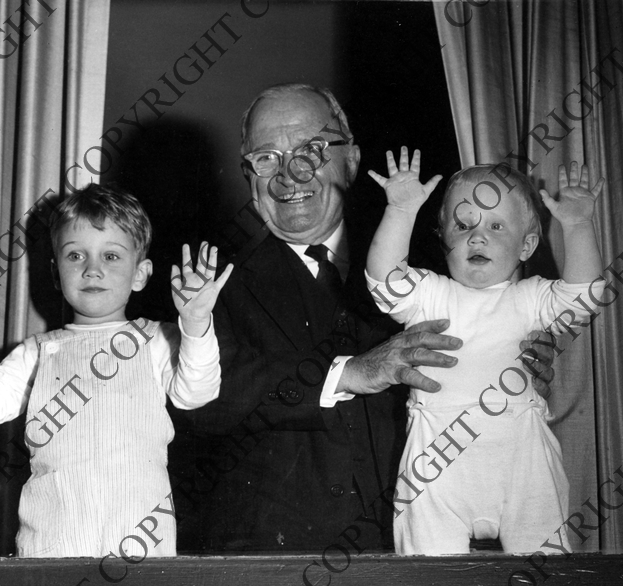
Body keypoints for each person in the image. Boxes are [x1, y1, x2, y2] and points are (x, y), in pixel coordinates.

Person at [179, 84, 556, 552]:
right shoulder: (207, 281)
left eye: (311, 150)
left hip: (409, 555)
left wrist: (524, 355)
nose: (289, 175)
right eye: (267, 158)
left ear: (352, 160)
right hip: (273, 565)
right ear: (248, 176)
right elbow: (201, 403)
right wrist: (351, 371)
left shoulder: (444, 261)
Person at [0, 184, 232, 558]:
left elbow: (196, 391)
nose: (93, 269)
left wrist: (196, 323)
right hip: (50, 543)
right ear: (56, 271)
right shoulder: (38, 352)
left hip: (141, 545)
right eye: (75, 255)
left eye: (112, 256)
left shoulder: (157, 339)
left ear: (141, 273)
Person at [365, 150, 604, 554]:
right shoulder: (431, 294)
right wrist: (400, 212)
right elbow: (384, 282)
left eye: (496, 226)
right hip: (435, 463)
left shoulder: (529, 298)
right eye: (464, 225)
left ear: (527, 246)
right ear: (443, 237)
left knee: (544, 577)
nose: (478, 236)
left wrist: (578, 226)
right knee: (429, 582)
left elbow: (584, 298)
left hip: (521, 460)